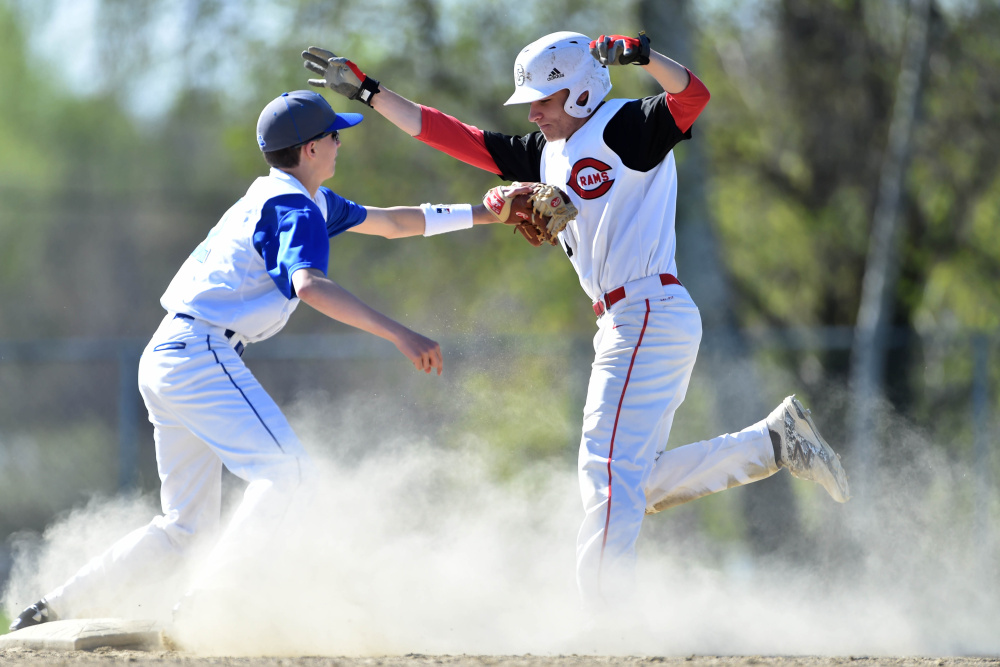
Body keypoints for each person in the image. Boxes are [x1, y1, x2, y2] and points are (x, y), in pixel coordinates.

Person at [301, 32, 851, 605]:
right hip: (629, 319)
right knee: (629, 481)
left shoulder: (625, 126)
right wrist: (368, 92)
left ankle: (605, 622)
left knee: (607, 473)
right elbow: (448, 134)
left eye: (545, 99)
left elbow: (693, 98)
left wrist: (643, 56)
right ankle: (773, 444)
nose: (533, 112)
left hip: (646, 309)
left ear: (583, 91)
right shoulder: (545, 152)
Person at [8, 89, 506, 632]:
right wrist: (399, 334)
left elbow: (392, 222)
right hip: (200, 350)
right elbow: (308, 285)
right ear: (310, 148)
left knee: (185, 527)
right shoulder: (294, 207)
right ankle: (203, 607)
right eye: (333, 135)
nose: (339, 143)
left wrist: (489, 213)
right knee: (288, 473)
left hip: (170, 353)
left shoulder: (289, 197)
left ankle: (51, 610)